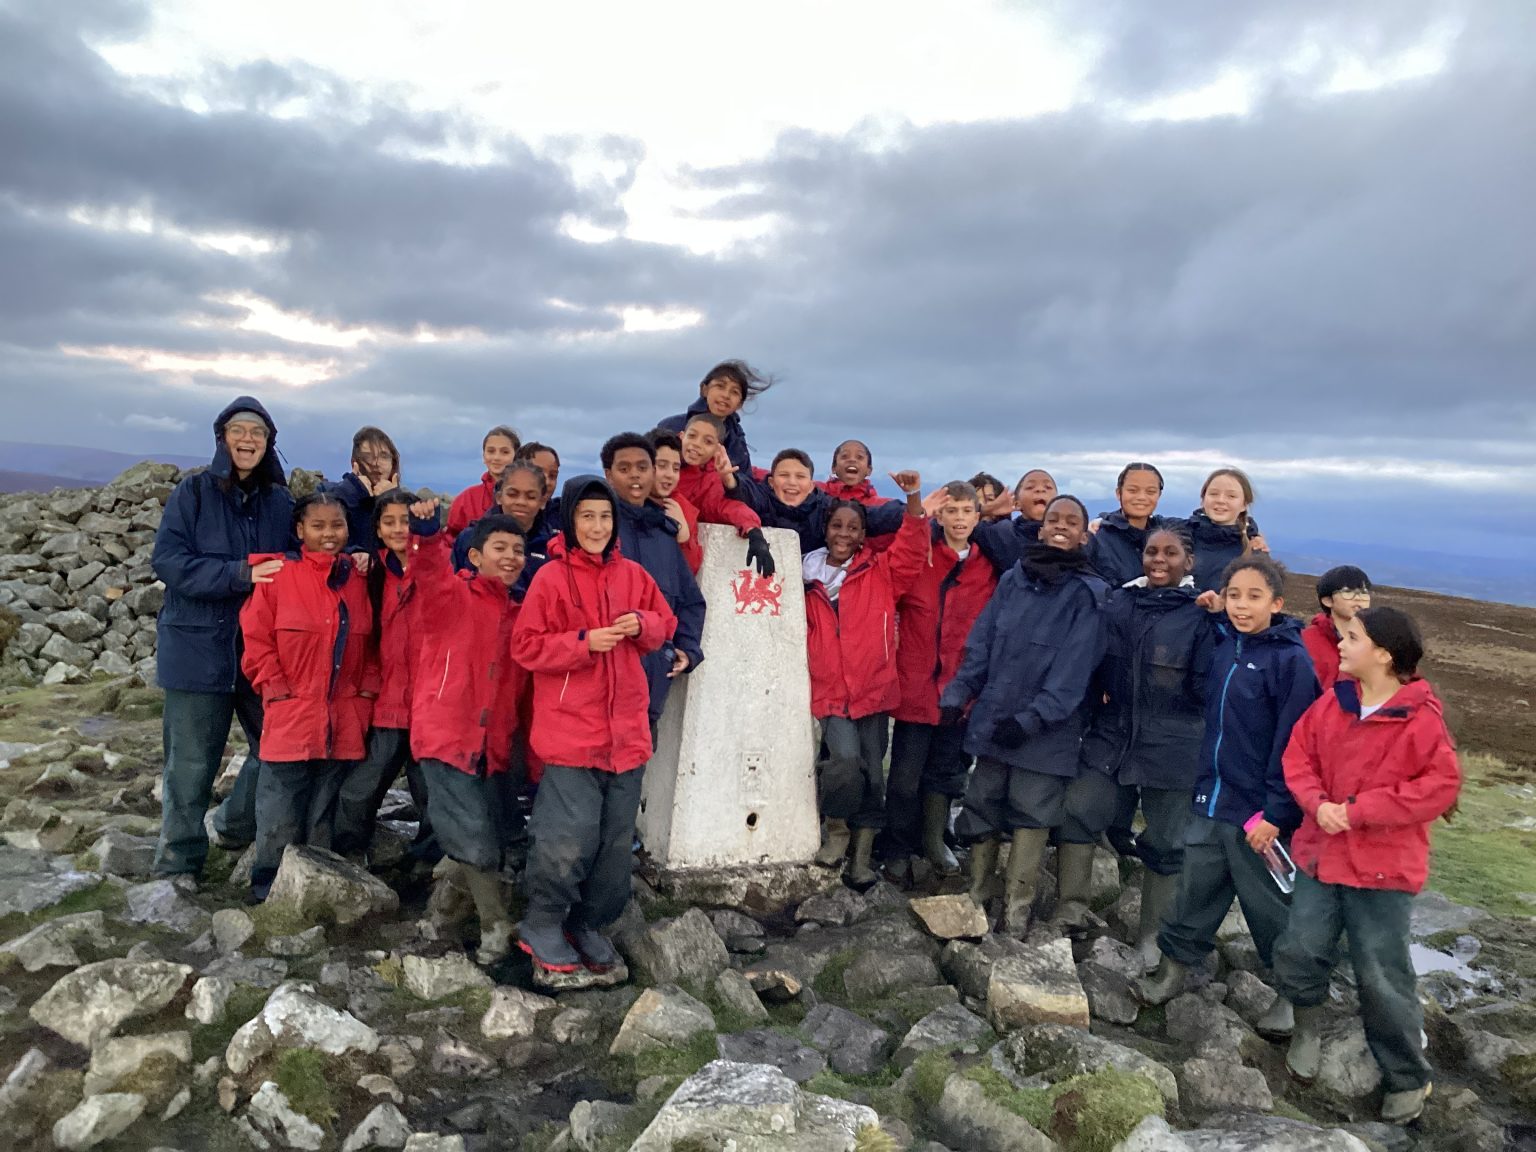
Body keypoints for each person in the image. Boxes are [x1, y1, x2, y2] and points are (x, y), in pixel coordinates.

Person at [1271, 607, 1460, 1125]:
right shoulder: (1333, 703)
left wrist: (1358, 812)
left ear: (1384, 653)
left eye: (1352, 638)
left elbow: (1439, 787)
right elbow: (1297, 758)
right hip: (1320, 857)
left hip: (1383, 871)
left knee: (1381, 974)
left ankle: (1405, 1074)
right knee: (1300, 948)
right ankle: (1307, 1029)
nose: (1342, 644)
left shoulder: (1420, 717)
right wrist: (1317, 805)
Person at [1138, 555, 1320, 1024]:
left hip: (1260, 815)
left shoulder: (1291, 661)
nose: (1242, 606)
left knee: (1270, 909)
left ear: (1277, 603)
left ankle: (1291, 999)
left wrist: (1278, 813)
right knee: (1193, 892)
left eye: (1255, 597)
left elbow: (1296, 746)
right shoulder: (1226, 647)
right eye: (1235, 595)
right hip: (1210, 800)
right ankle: (1173, 969)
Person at [511, 476, 678, 975]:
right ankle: (541, 922)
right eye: (587, 516)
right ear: (570, 520)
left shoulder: (632, 573)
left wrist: (641, 625)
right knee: (567, 835)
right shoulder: (550, 578)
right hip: (571, 736)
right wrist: (584, 643)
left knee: (613, 843)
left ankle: (589, 923)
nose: (597, 526)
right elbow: (526, 646)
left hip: (626, 735)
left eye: (605, 517)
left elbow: (664, 623)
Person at [939, 495, 1108, 937]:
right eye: (1054, 519)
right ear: (1040, 526)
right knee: (982, 803)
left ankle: (1016, 913)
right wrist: (959, 694)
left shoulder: (1089, 594)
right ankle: (977, 895)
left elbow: (1073, 673)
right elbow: (984, 641)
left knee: (1032, 814)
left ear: (1084, 534)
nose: (1061, 526)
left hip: (1047, 733)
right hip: (995, 719)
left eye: (1072, 522)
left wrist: (1031, 721)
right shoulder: (1015, 579)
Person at [151, 396, 293, 879]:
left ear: (268, 441)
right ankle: (177, 865)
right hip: (196, 649)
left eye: (257, 432)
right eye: (239, 430)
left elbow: (302, 560)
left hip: (259, 654)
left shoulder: (281, 502)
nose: (248, 439)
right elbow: (168, 562)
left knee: (274, 748)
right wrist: (238, 574)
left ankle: (232, 825)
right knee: (190, 765)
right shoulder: (192, 494)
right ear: (222, 438)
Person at [1059, 528, 1214, 966]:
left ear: (1190, 561)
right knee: (1080, 808)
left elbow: (1207, 689)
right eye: (1151, 551)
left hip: (1175, 744)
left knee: (1167, 842)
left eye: (1170, 552)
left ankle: (1152, 940)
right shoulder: (1118, 602)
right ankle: (1070, 911)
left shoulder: (1201, 615)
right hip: (1113, 734)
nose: (1159, 559)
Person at [405, 502, 529, 963]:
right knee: (476, 838)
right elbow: (429, 573)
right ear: (475, 557)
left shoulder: (521, 615)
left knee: (478, 835)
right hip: (445, 738)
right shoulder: (452, 597)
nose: (512, 556)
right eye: (500, 547)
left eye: (518, 549)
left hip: (491, 749)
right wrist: (426, 534)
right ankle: (497, 935)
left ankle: (439, 920)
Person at [240, 492, 378, 900]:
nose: (329, 534)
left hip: (343, 714)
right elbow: (256, 640)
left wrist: (366, 692)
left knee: (323, 811)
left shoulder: (357, 577)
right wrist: (276, 689)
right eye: (318, 526)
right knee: (280, 806)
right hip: (291, 712)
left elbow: (371, 645)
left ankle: (315, 889)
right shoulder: (278, 575)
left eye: (336, 525)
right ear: (300, 530)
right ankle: (267, 886)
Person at [805, 477, 929, 887]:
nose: (844, 534)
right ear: (826, 529)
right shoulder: (804, 574)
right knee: (843, 762)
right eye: (837, 526)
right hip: (830, 690)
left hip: (874, 690)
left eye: (853, 528)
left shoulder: (880, 570)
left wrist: (913, 500)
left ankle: (861, 856)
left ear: (863, 534)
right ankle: (837, 832)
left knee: (873, 773)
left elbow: (912, 549)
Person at [885, 480, 997, 884]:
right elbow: (898, 581)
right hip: (916, 684)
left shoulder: (989, 565)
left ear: (978, 517)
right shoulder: (924, 558)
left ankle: (933, 841)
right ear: (940, 515)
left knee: (946, 773)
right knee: (903, 777)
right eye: (953, 511)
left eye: (968, 511)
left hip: (961, 688)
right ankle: (896, 847)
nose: (960, 519)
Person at [332, 490, 435, 864]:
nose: (398, 529)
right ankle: (345, 855)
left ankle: (425, 868)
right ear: (376, 527)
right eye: (388, 522)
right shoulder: (370, 571)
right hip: (387, 699)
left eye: (406, 521)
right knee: (362, 786)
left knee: (432, 795)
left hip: (430, 705)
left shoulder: (437, 569)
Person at [602, 433, 707, 733]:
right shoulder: (597, 528)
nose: (635, 475)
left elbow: (690, 600)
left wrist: (687, 649)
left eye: (643, 467)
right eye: (624, 469)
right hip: (597, 687)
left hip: (649, 688)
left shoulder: (664, 534)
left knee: (633, 777)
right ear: (609, 475)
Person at [735, 448, 907, 555]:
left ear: (811, 485)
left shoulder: (824, 508)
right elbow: (741, 489)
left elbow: (873, 516)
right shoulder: (760, 499)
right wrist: (729, 479)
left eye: (800, 476)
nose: (792, 483)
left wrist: (915, 507)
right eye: (784, 475)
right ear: (771, 482)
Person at [675, 413, 776, 576]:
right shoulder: (657, 461)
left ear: (717, 449)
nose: (696, 444)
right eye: (692, 436)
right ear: (681, 436)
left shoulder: (710, 480)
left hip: (681, 563)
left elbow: (724, 506)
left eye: (707, 442)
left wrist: (753, 531)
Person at [451, 461, 556, 596]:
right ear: (499, 497)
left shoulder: (553, 547)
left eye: (531, 497)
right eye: (512, 494)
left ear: (542, 502)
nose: (521, 502)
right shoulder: (470, 538)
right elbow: (451, 588)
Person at [658, 359, 774, 473]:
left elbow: (746, 481)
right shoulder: (670, 426)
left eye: (734, 392)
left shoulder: (736, 442)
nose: (726, 395)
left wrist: (731, 482)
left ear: (739, 404)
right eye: (720, 386)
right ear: (705, 390)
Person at [1177, 468, 1267, 594]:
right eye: (1214, 494)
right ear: (1203, 499)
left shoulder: (1253, 550)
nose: (1221, 500)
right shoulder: (1180, 535)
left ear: (1244, 504)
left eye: (1231, 496)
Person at [322, 426, 401, 556]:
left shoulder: (406, 503)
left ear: (393, 463)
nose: (376, 463)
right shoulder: (333, 495)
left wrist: (390, 500)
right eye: (367, 457)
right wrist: (357, 491)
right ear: (354, 463)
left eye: (384, 456)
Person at [1088, 462, 1167, 588]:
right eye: (1132, 490)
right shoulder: (1098, 538)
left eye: (1150, 492)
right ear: (1119, 493)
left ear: (1159, 495)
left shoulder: (1166, 533)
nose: (1141, 497)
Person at [1302, 565, 1374, 690]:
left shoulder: (1378, 640)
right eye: (1347, 592)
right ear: (1327, 600)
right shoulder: (1306, 641)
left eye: (1364, 592)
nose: (1358, 598)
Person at [969, 468, 1057, 568]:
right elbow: (960, 524)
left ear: (1058, 501)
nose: (1040, 490)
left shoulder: (1069, 533)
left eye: (1048, 487)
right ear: (1016, 502)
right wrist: (989, 509)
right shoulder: (1002, 532)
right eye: (1030, 487)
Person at [446, 425, 520, 540]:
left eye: (504, 452)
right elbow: (450, 541)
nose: (496, 457)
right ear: (484, 456)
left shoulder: (524, 498)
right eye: (491, 451)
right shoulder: (466, 499)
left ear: (516, 456)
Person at [647, 427, 702, 574]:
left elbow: (691, 570)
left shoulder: (684, 510)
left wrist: (684, 539)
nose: (670, 475)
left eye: (676, 468)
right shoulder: (623, 504)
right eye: (662, 466)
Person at [822, 440, 894, 505]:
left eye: (859, 457)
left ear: (869, 470)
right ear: (834, 468)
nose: (852, 460)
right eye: (844, 456)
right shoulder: (817, 492)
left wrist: (906, 492)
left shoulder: (881, 506)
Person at [517, 441, 562, 519]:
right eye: (538, 473)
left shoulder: (563, 516)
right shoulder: (496, 520)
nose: (546, 482)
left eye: (552, 476)